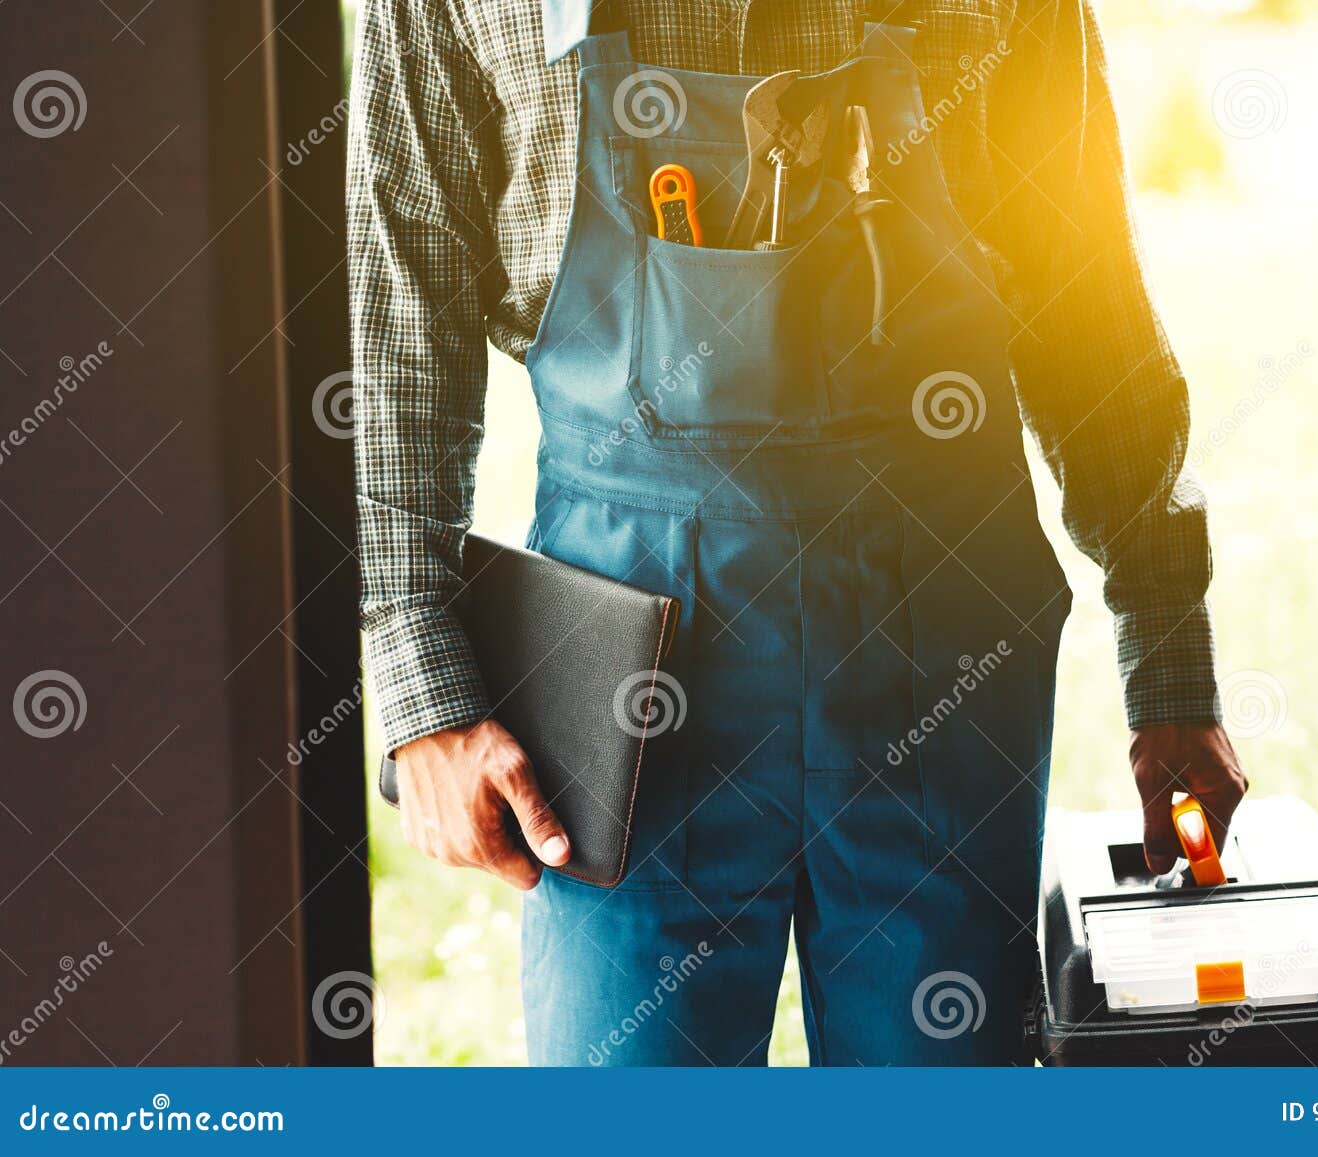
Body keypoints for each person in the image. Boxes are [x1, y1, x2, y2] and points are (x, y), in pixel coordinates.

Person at [349, 0, 1247, 1066]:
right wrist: (422, 690)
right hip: (621, 676)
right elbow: (399, 330)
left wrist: (1170, 659)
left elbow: (1087, 313)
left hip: (940, 641)